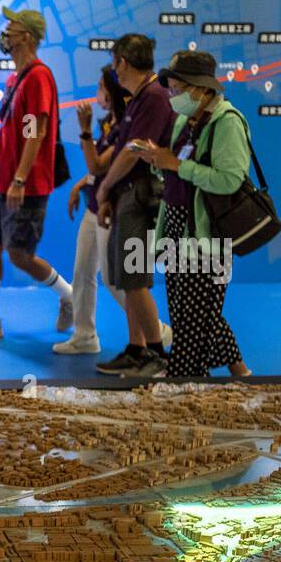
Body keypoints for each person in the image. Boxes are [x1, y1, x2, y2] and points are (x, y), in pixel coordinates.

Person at [0, 7, 72, 340]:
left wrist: (20, 179)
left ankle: (69, 296)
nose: (5, 33)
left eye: (12, 28)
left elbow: (35, 131)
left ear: (28, 37)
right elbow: (20, 129)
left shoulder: (38, 77)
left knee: (20, 256)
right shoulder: (14, 79)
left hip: (25, 185)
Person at [133, 50, 252, 378]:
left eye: (176, 89)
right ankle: (239, 373)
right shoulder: (185, 121)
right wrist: (159, 162)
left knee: (194, 321)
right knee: (191, 312)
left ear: (200, 88)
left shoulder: (227, 122)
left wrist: (178, 165)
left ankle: (183, 380)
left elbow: (230, 179)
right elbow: (177, 175)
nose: (172, 96)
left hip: (208, 235)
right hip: (177, 227)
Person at [94, 33, 175, 378]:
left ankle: (156, 353)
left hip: (140, 198)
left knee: (136, 279)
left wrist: (105, 189)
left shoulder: (154, 97)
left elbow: (133, 152)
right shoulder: (140, 98)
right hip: (127, 197)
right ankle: (135, 348)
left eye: (115, 62)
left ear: (122, 62)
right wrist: (111, 195)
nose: (114, 69)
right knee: (129, 280)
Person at [53, 66, 129, 354]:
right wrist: (81, 184)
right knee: (82, 271)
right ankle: (84, 336)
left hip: (111, 209)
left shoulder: (125, 126)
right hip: (93, 205)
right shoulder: (109, 123)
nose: (97, 93)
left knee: (113, 280)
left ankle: (154, 331)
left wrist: (84, 131)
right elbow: (96, 171)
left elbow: (97, 164)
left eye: (101, 87)